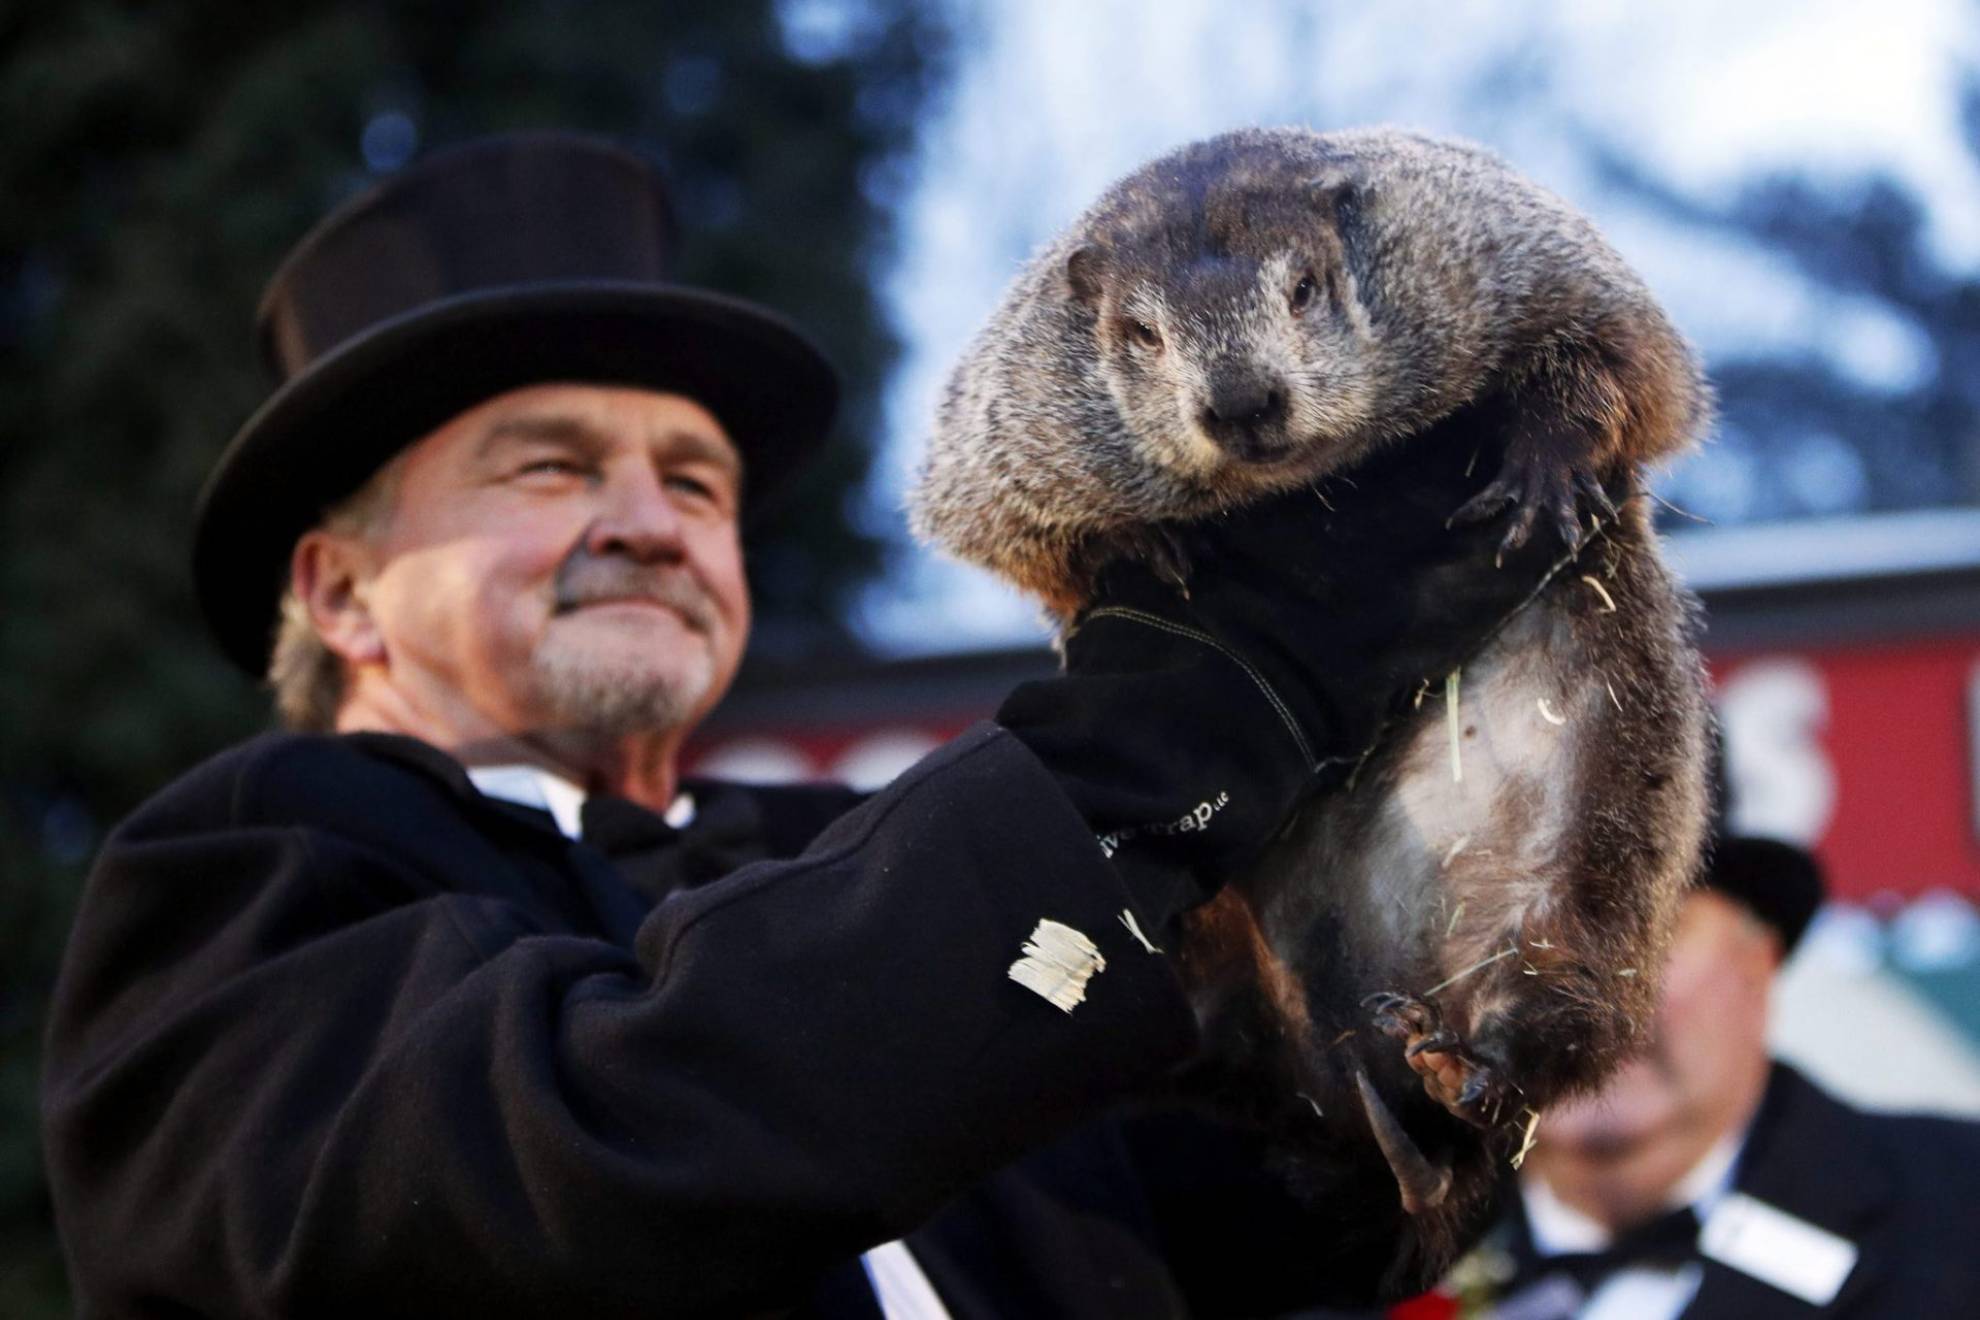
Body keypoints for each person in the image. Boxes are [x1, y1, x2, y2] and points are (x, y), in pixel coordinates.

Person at [41, 132, 1568, 1318]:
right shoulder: (251, 876)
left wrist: (1442, 998)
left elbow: (1250, 1221)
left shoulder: (830, 863)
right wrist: (1181, 723)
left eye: (693, 484)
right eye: (549, 469)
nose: (649, 525)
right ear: (342, 590)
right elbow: (570, 1170)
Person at [1391, 835, 1980, 1319]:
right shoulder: (1363, 1265)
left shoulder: (1958, 1215)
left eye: (1640, 930)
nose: (1575, 993)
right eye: (1508, 937)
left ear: (1759, 958)